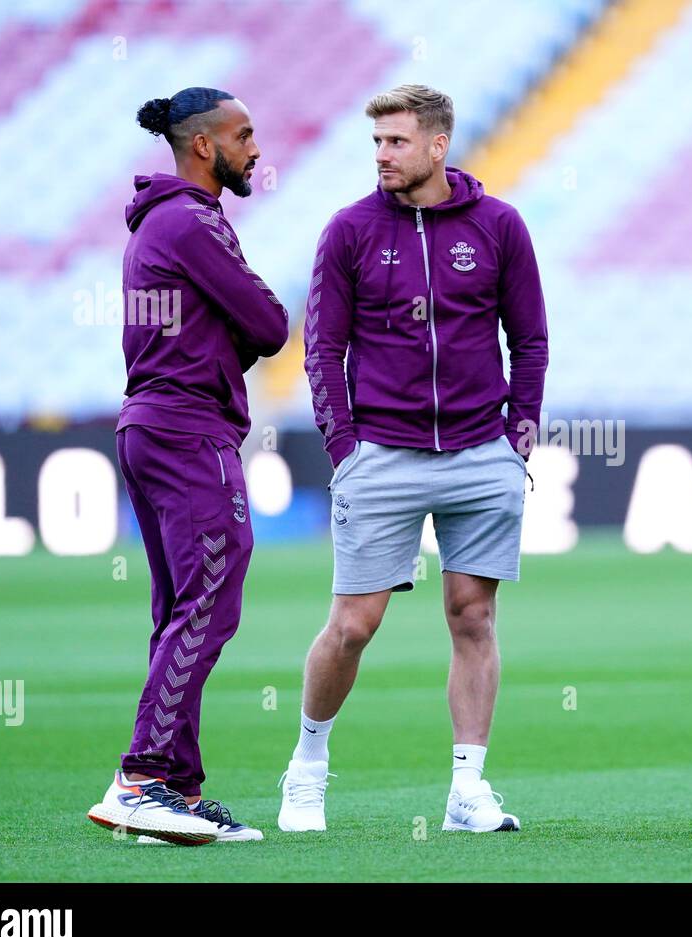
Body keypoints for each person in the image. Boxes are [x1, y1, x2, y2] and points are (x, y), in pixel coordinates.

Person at [279, 84, 548, 834]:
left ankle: (468, 789)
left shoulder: (499, 226)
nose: (382, 156)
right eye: (376, 143)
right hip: (382, 454)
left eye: (396, 142)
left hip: (480, 452)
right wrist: (343, 446)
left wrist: (517, 436)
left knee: (473, 616)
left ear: (438, 145)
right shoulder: (350, 231)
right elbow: (323, 346)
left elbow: (528, 340)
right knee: (354, 624)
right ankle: (307, 768)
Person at [88, 87, 289, 844]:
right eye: (244, 134)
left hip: (153, 424)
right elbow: (269, 321)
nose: (255, 149)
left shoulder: (158, 224)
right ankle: (142, 778)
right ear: (203, 145)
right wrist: (237, 341)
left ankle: (170, 787)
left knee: (181, 609)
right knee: (211, 599)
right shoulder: (192, 221)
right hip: (186, 431)